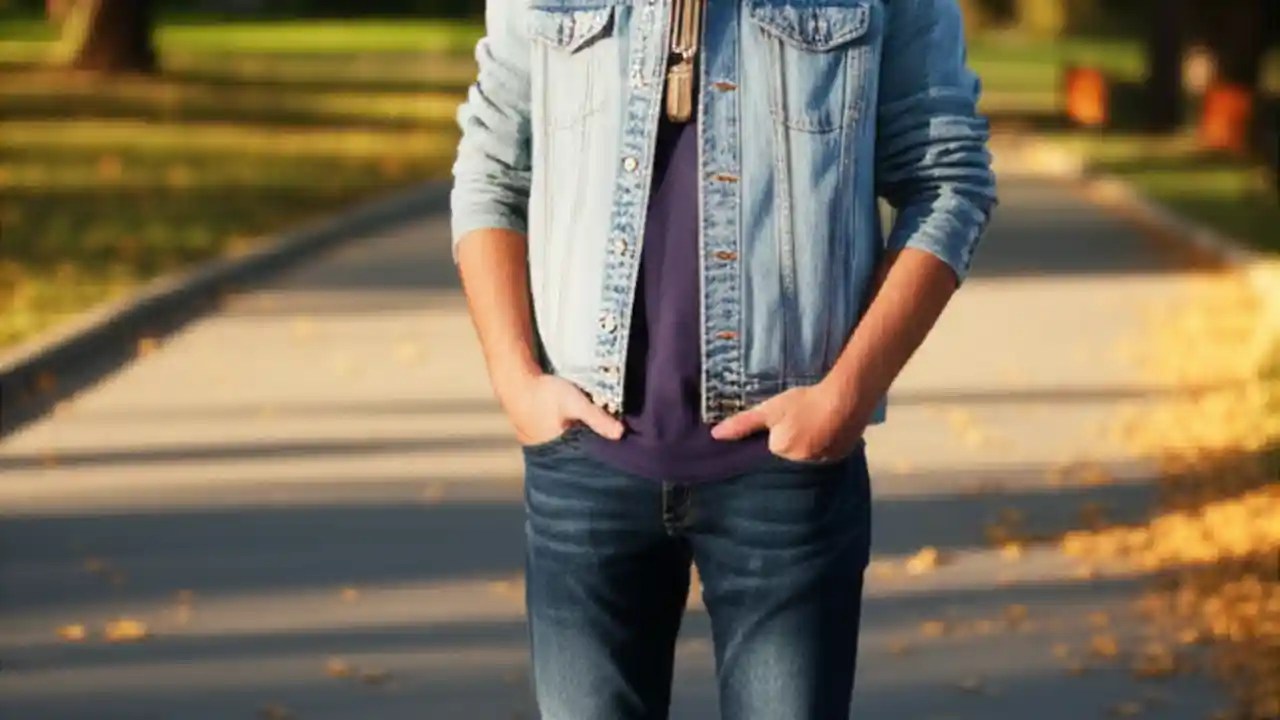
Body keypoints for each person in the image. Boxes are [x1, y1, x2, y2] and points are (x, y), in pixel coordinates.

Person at [450, 0, 996, 717]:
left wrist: (844, 398)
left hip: (786, 476)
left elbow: (947, 178)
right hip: (584, 467)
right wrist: (516, 379)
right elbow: (492, 165)